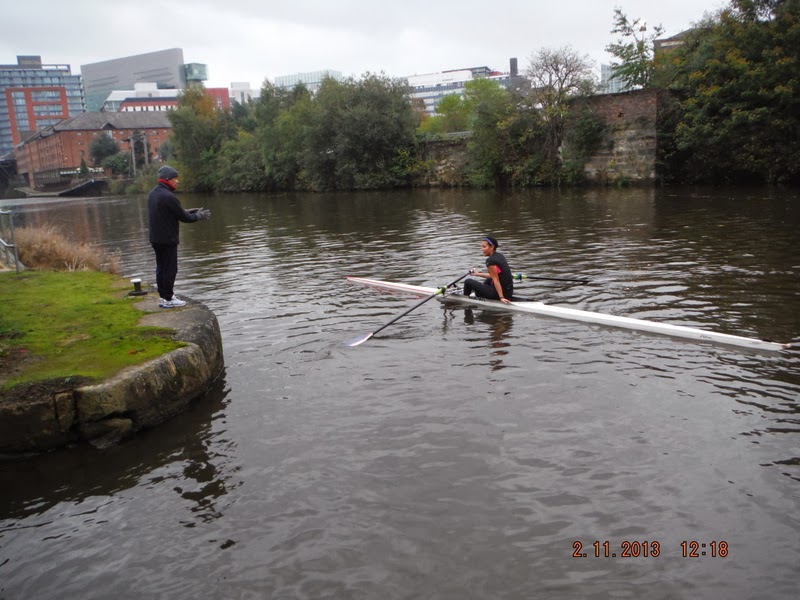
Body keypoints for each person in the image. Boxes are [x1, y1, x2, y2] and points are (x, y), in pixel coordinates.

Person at [147, 165, 210, 308]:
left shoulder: (153, 194)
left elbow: (169, 212)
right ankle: (169, 299)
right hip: (167, 239)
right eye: (175, 178)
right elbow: (184, 217)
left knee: (161, 268)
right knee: (170, 269)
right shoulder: (169, 196)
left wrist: (187, 211)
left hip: (155, 238)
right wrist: (198, 215)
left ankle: (163, 297)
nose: (177, 181)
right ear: (168, 179)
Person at [462, 236, 513, 304]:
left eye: (484, 247)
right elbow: (493, 276)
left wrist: (501, 297)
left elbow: (496, 279)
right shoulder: (500, 255)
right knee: (488, 280)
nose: (482, 249)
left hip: (499, 295)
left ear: (491, 247)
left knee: (468, 282)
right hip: (509, 292)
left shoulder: (490, 261)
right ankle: (479, 294)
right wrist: (477, 274)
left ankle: (465, 300)